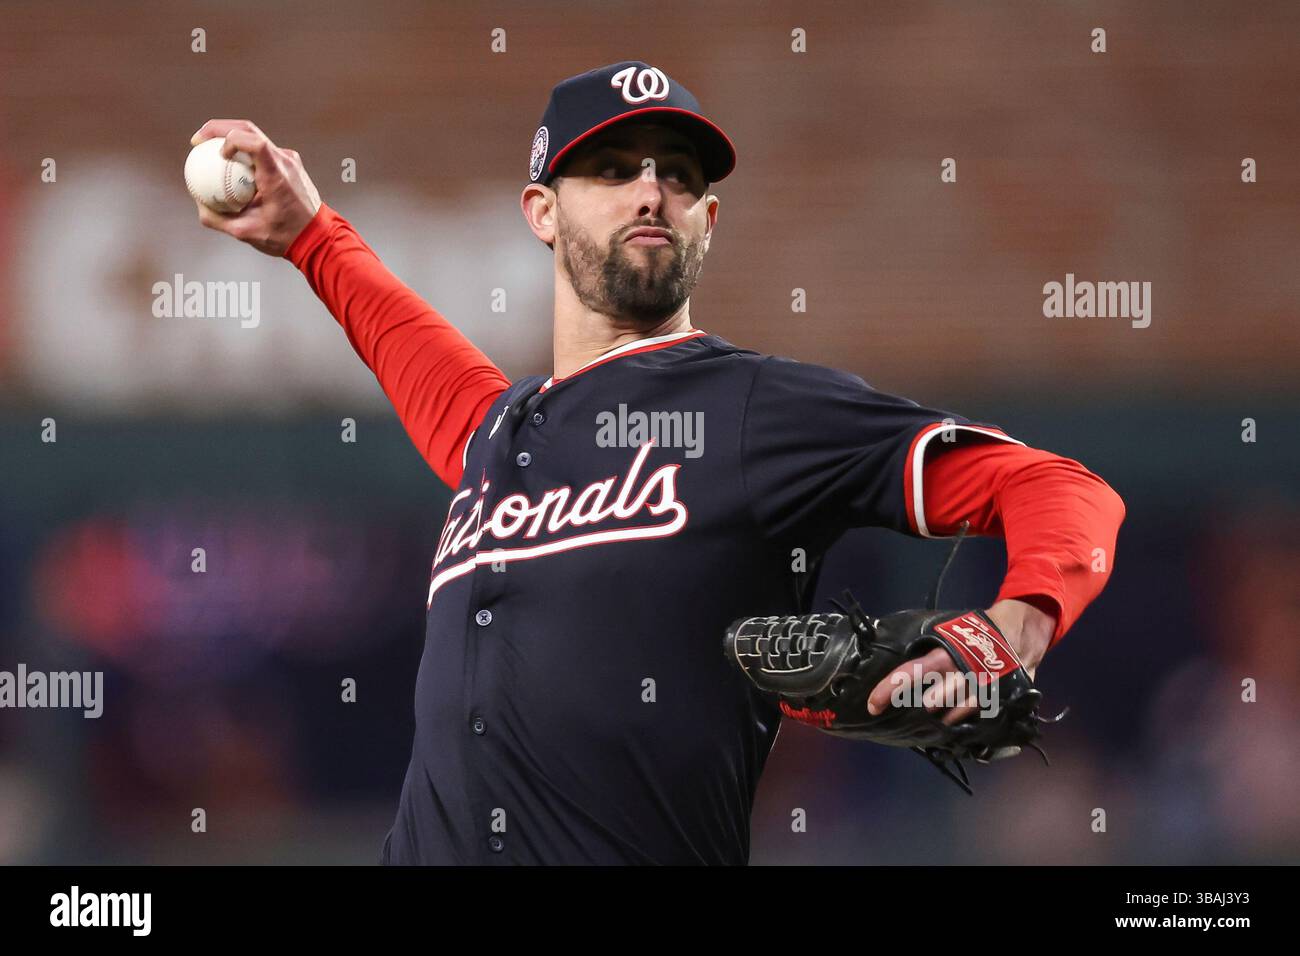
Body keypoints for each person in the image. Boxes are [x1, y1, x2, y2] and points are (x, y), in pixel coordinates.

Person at [189, 60, 1126, 865]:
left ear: (707, 219)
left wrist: (1016, 627)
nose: (650, 192)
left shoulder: (756, 407)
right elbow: (419, 356)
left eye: (678, 176)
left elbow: (1060, 487)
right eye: (611, 169)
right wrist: (312, 237)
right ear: (542, 212)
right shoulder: (501, 436)